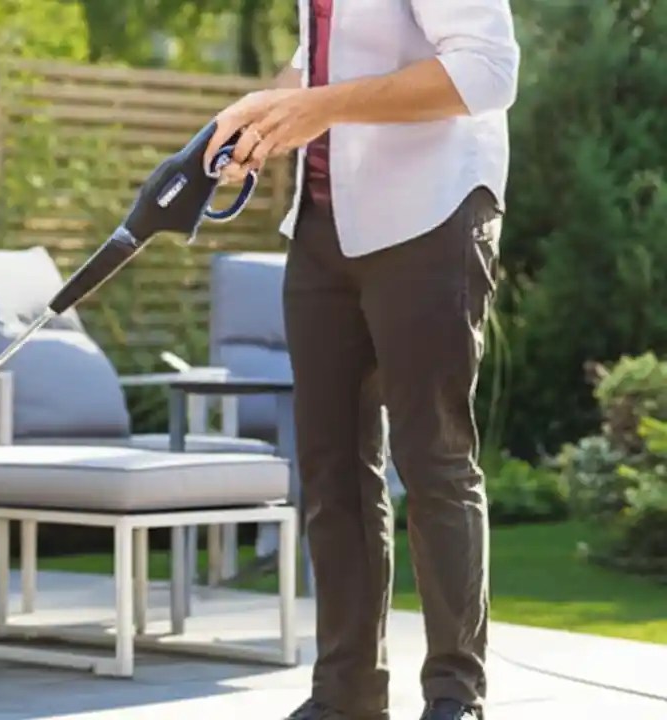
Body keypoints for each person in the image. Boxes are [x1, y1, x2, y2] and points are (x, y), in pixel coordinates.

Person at [205, 1, 520, 719]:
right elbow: (321, 55)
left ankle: (455, 697)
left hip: (433, 212)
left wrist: (320, 107)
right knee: (332, 472)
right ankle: (345, 696)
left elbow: (487, 69)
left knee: (433, 458)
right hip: (324, 224)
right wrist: (257, 121)